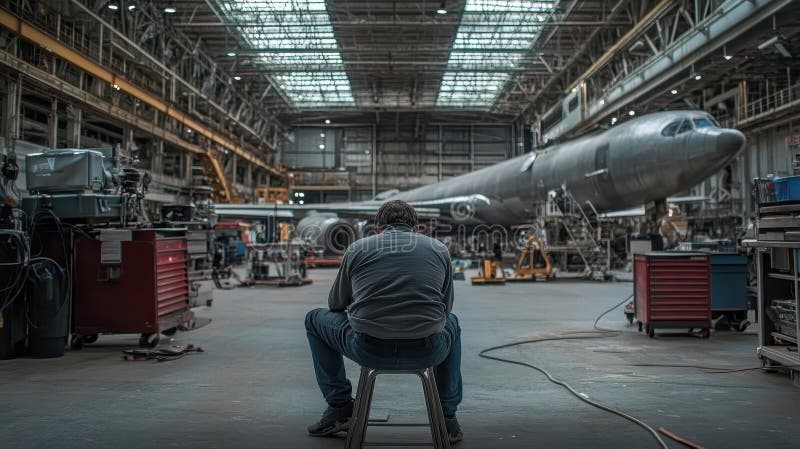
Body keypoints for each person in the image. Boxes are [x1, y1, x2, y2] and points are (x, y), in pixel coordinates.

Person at [304, 200, 463, 443]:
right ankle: (448, 418)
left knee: (314, 319)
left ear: (377, 228)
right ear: (416, 229)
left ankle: (340, 406)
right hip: (428, 350)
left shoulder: (357, 249)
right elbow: (445, 308)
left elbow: (335, 304)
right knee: (452, 322)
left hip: (369, 349)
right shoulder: (439, 250)